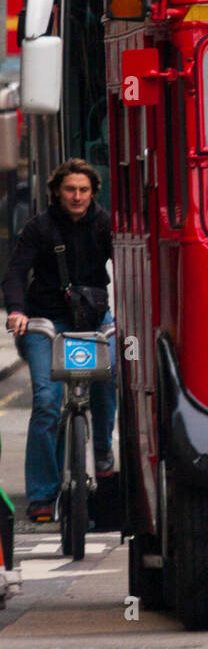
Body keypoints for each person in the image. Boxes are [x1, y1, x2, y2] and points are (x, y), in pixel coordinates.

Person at [2, 159, 116, 524]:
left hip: (96, 318)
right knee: (47, 401)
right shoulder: (39, 227)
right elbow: (17, 272)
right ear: (57, 192)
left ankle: (102, 457)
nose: (77, 196)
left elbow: (129, 263)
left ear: (93, 193)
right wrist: (17, 311)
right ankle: (41, 495)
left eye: (83, 190)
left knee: (108, 378)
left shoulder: (106, 224)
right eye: (70, 190)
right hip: (46, 321)